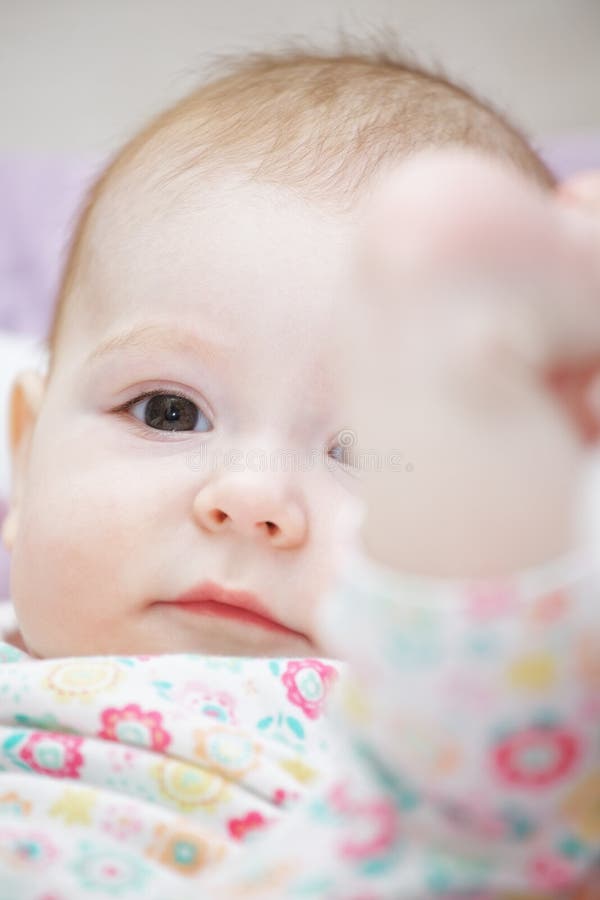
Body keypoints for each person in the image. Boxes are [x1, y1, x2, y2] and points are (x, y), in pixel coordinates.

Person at [0, 48, 597, 897]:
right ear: (26, 457)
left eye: (370, 452)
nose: (252, 501)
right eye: (168, 411)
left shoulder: (405, 720)